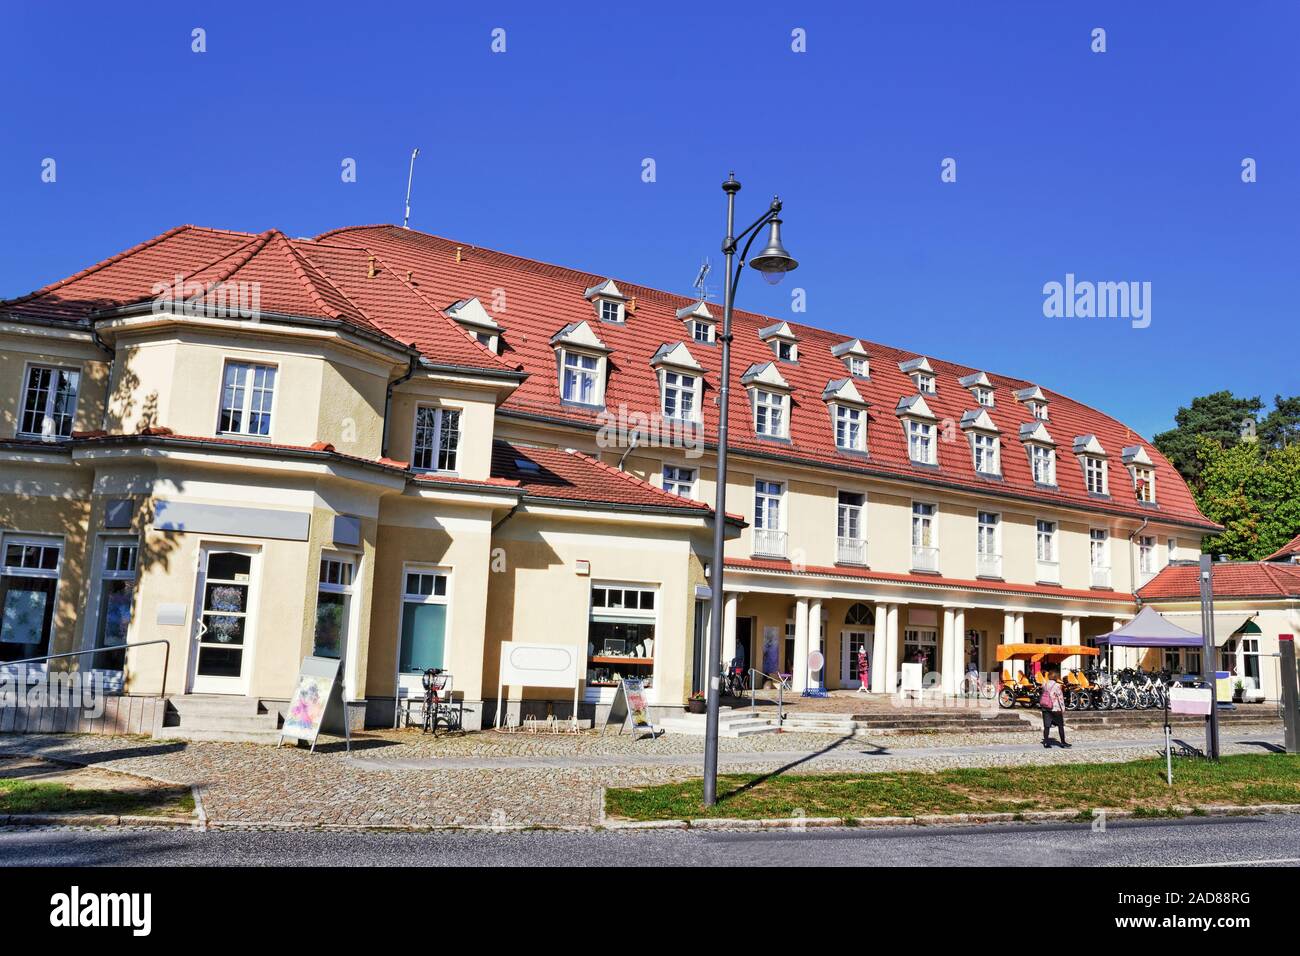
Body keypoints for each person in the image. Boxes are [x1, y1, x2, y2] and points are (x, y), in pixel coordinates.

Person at [1039, 671, 1070, 748]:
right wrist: (1063, 708)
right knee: (1060, 725)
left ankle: (1046, 742)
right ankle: (1063, 742)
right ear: (1056, 677)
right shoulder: (1057, 686)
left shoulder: (1044, 684)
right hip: (1055, 708)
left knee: (1046, 726)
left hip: (1045, 707)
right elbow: (1060, 698)